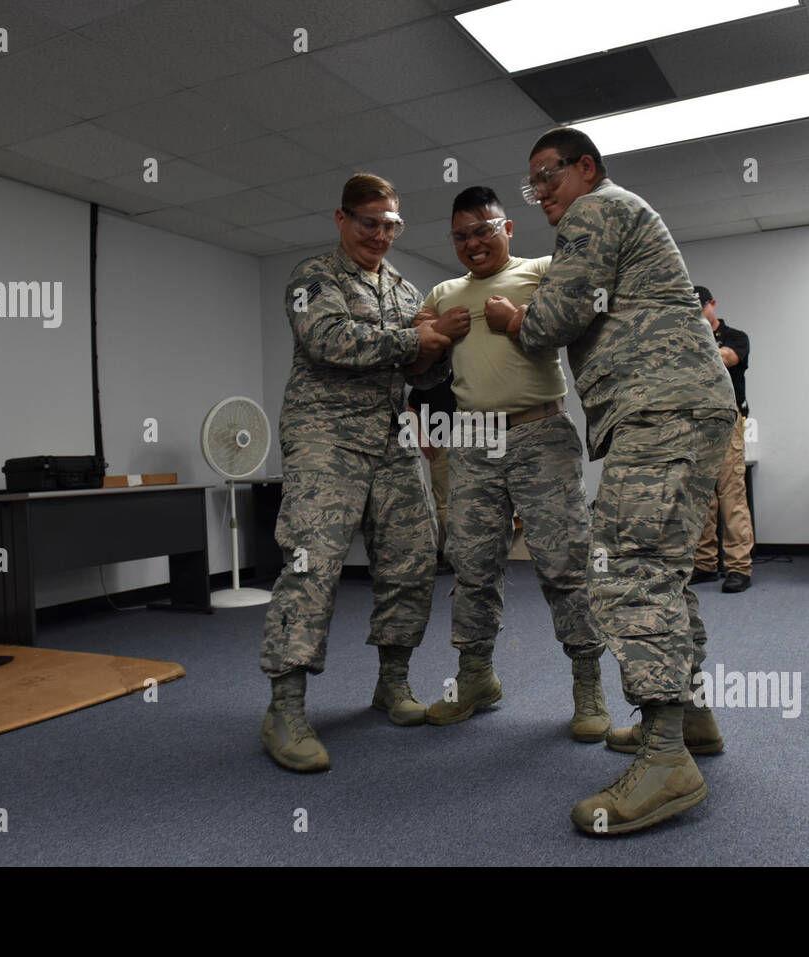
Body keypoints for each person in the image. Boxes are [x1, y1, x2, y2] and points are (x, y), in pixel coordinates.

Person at [484, 128, 735, 835]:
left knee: (626, 566)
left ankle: (664, 761)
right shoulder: (623, 212)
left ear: (585, 168)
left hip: (661, 406)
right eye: (532, 185)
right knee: (665, 567)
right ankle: (691, 719)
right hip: (681, 405)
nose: (541, 196)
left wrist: (512, 319)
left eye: (548, 177)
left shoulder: (597, 210)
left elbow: (559, 317)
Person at [258, 173, 469, 773]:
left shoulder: (407, 290)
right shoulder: (312, 277)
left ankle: (392, 683)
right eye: (368, 222)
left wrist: (437, 353)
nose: (380, 234)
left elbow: (423, 377)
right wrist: (417, 340)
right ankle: (285, 708)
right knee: (312, 565)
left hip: (391, 434)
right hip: (326, 437)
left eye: (390, 224)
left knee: (413, 555)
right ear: (342, 220)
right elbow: (327, 340)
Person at [418, 185, 608, 741]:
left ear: (507, 229)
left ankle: (588, 685)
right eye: (461, 235)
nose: (473, 243)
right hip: (472, 440)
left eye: (484, 230)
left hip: (539, 431)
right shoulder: (444, 290)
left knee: (563, 563)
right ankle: (475, 678)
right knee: (472, 567)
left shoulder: (543, 269)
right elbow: (416, 360)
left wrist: (517, 318)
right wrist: (434, 336)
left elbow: (580, 313)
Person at [690, 285, 755, 593]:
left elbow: (726, 359)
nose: (697, 314)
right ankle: (704, 564)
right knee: (702, 497)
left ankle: (739, 567)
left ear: (712, 304)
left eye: (700, 308)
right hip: (695, 423)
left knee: (731, 494)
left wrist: (693, 343)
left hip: (728, 420)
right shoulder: (686, 339)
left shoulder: (735, 337)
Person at [406, 375, 456, 573]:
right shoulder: (429, 376)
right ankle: (456, 554)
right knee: (444, 502)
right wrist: (422, 440)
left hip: (472, 443)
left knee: (474, 499)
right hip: (441, 444)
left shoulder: (468, 369)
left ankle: (467, 553)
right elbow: (411, 410)